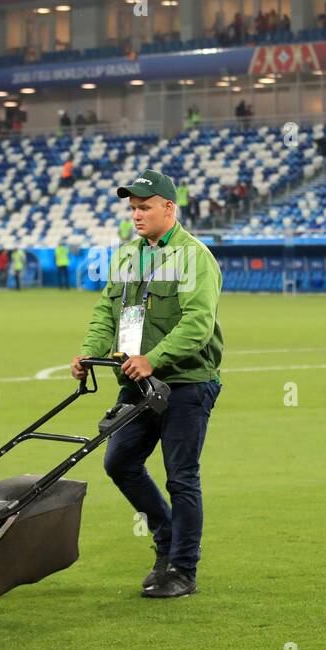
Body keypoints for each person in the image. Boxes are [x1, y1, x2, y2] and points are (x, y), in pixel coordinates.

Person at [71, 168, 223, 598]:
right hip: (138, 381)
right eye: (132, 208)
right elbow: (107, 312)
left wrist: (152, 359)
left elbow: (198, 323)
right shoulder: (126, 256)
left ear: (169, 208)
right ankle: (167, 533)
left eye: (144, 207)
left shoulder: (194, 258)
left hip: (187, 383)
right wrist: (89, 353)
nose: (136, 215)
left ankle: (181, 569)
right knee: (118, 461)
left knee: (181, 477)